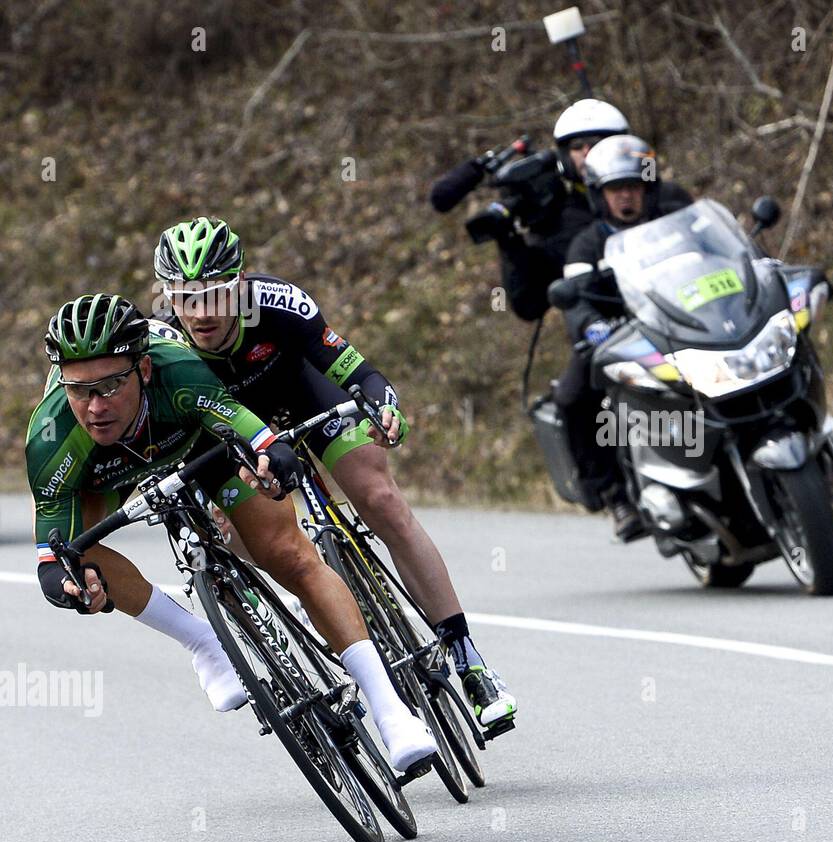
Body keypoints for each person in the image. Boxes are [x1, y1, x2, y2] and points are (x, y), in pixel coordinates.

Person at [28, 293, 439, 769]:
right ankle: (201, 639)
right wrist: (70, 587)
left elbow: (252, 432)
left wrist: (272, 460)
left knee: (291, 555)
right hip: (107, 471)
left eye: (110, 385)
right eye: (79, 389)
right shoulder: (52, 437)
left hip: (199, 443)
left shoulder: (178, 371)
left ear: (142, 370)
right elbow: (51, 558)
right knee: (81, 555)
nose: (94, 406)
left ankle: (390, 710)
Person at [150, 217, 517, 730]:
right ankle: (298, 608)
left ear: (238, 285)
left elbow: (353, 370)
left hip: (303, 400)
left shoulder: (278, 304)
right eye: (186, 296)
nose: (201, 310)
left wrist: (384, 405)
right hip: (233, 432)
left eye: (214, 293)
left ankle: (468, 660)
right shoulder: (165, 347)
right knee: (228, 525)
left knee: (380, 498)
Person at [559, 134, 693, 538]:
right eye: (616, 189)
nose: (626, 197)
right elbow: (575, 301)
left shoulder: (674, 221)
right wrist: (591, 326)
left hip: (684, 323)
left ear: (647, 189)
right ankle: (613, 494)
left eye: (633, 186)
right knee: (571, 396)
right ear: (601, 195)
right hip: (621, 337)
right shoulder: (587, 243)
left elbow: (718, 253)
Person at [430, 98, 630, 323]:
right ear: (564, 155)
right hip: (609, 337)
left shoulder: (658, 196)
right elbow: (528, 305)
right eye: (577, 146)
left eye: (596, 142)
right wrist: (509, 241)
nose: (586, 152)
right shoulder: (560, 220)